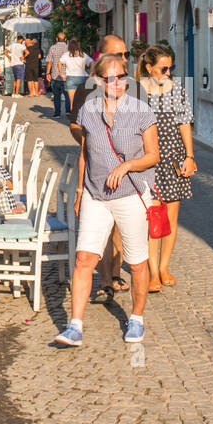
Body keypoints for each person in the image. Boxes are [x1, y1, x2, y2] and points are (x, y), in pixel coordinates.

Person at [56, 52, 159, 347]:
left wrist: (126, 165)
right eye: (109, 78)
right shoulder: (89, 110)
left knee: (137, 263)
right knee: (84, 257)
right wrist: (79, 191)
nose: (116, 83)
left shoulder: (141, 111)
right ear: (98, 80)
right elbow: (86, 153)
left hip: (131, 194)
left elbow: (153, 155)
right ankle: (75, 325)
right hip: (95, 194)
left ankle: (136, 319)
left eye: (121, 77)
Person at [70, 34, 130, 295]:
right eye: (119, 55)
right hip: (97, 168)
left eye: (126, 55)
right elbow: (75, 124)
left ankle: (115, 272)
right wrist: (94, 139)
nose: (125, 59)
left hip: (127, 168)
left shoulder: (133, 87)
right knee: (104, 225)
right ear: (102, 57)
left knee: (120, 226)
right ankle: (106, 280)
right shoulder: (87, 88)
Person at [137, 46, 197, 291]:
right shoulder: (137, 92)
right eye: (164, 68)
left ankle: (164, 268)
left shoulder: (178, 90)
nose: (168, 72)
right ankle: (152, 272)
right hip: (149, 159)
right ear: (149, 67)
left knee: (171, 219)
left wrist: (190, 156)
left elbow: (184, 125)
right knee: (153, 218)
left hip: (174, 159)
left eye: (171, 68)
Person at [59, 38, 92, 113]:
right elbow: (92, 62)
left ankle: (73, 119)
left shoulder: (66, 55)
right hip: (82, 78)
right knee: (81, 101)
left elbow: (59, 62)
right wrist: (91, 73)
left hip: (70, 78)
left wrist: (61, 73)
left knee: (72, 102)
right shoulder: (83, 54)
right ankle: (81, 118)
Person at [46, 31, 69, 118]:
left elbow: (49, 61)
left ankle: (57, 113)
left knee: (56, 96)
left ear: (56, 39)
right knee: (67, 95)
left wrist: (48, 73)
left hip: (55, 75)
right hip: (67, 76)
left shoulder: (53, 47)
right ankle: (68, 111)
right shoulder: (69, 48)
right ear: (65, 39)